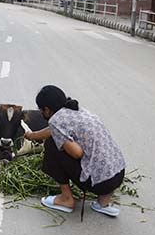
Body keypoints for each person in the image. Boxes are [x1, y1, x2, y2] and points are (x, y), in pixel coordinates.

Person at [24, 85, 126, 217]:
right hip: (117, 175)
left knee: (52, 144)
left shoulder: (56, 120)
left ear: (47, 110)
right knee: (95, 155)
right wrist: (32, 135)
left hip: (100, 183)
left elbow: (77, 153)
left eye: (41, 110)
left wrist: (65, 144)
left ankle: (66, 199)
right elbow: (53, 130)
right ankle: (102, 203)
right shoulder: (76, 110)